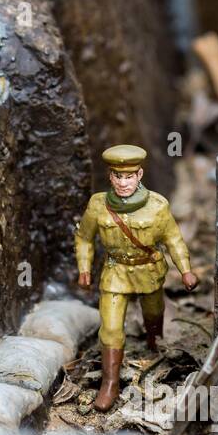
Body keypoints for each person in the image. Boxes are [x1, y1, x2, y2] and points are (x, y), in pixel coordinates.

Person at [75, 144, 198, 412]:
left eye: (128, 176)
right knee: (109, 327)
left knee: (153, 310)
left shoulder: (157, 206)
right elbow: (84, 237)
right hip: (115, 272)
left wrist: (185, 270)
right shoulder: (98, 205)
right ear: (110, 177)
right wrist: (84, 269)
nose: (123, 182)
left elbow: (173, 240)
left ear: (139, 175)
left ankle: (153, 338)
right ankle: (110, 384)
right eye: (117, 176)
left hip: (148, 270)